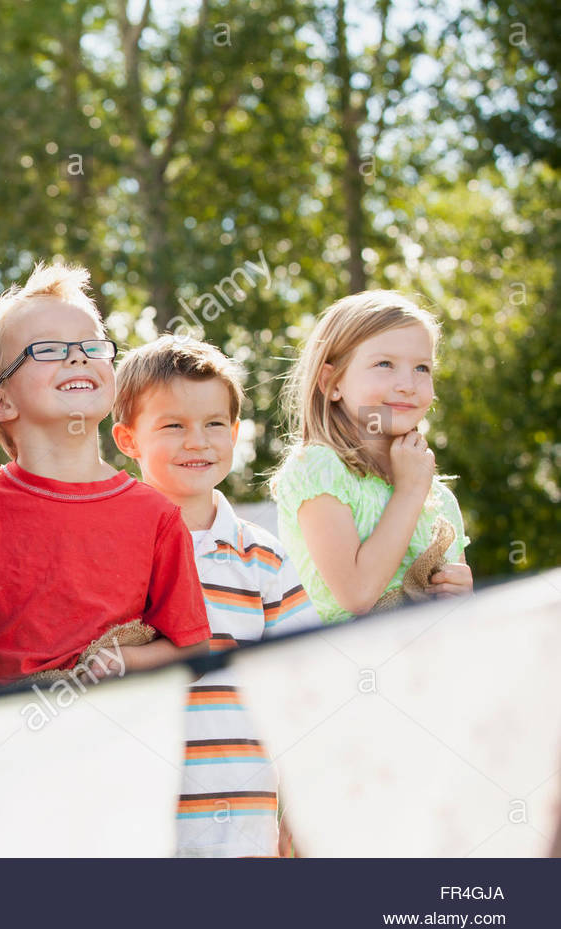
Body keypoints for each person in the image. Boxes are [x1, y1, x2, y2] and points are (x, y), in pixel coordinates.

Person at [0, 262, 211, 691]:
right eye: (48, 349)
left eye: (92, 346)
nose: (78, 355)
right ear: (1, 403)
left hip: (106, 735)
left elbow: (193, 647)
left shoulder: (156, 515)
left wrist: (127, 659)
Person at [112, 335, 317, 857]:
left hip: (244, 822)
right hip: (134, 817)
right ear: (128, 439)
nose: (197, 442)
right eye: (173, 425)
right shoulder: (110, 548)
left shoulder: (263, 558)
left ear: (236, 432)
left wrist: (301, 802)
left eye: (214, 424)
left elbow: (304, 685)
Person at [270, 291, 473, 623]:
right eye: (385, 364)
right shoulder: (319, 470)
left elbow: (457, 616)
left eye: (422, 367)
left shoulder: (437, 496)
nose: (407, 384)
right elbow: (358, 594)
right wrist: (408, 491)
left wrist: (461, 593)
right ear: (331, 381)